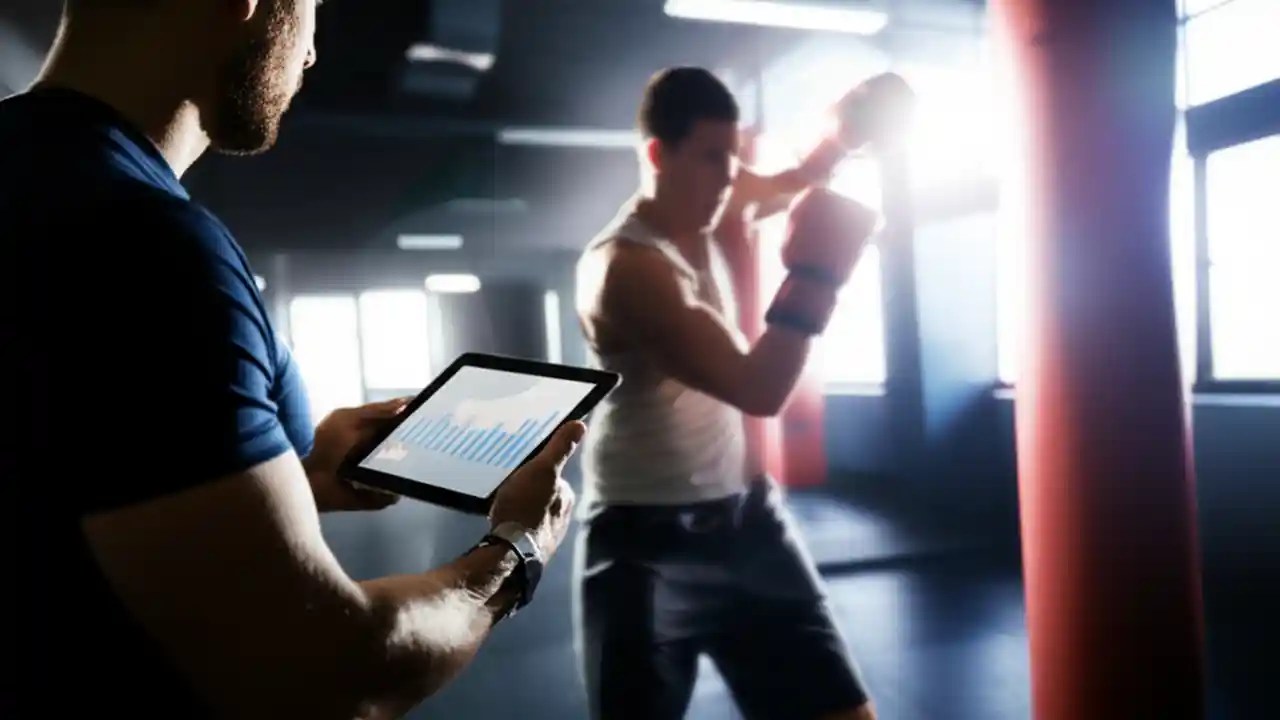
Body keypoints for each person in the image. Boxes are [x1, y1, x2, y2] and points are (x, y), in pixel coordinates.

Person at [0, 1, 582, 718]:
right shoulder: (143, 241)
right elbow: (333, 676)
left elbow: (77, 488)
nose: (310, 52)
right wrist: (517, 550)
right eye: (310, 7)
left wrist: (302, 477)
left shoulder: (37, 178)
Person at [572, 66, 912, 720]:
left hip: (750, 525)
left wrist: (841, 137)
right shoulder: (628, 268)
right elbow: (758, 389)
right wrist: (816, 277)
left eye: (732, 156)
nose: (728, 175)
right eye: (709, 157)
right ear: (656, 155)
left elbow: (788, 187)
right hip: (646, 546)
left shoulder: (717, 202)